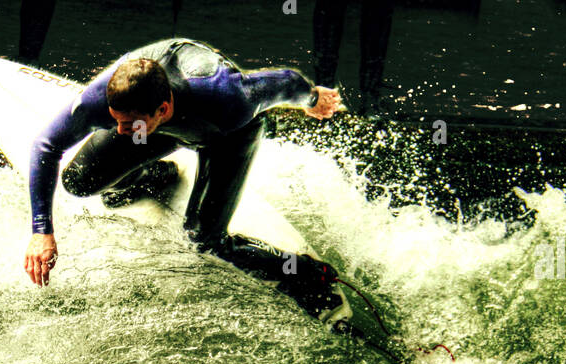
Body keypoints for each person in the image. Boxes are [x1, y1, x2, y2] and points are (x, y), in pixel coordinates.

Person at [23, 38, 346, 319]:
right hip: (156, 128)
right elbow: (45, 146)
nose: (118, 130)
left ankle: (305, 273)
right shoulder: (105, 104)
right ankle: (151, 176)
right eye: (115, 121)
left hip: (222, 135)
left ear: (162, 109)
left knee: (204, 243)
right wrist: (42, 232)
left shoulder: (230, 98)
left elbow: (287, 82)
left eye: (127, 123)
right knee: (79, 182)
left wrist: (313, 100)